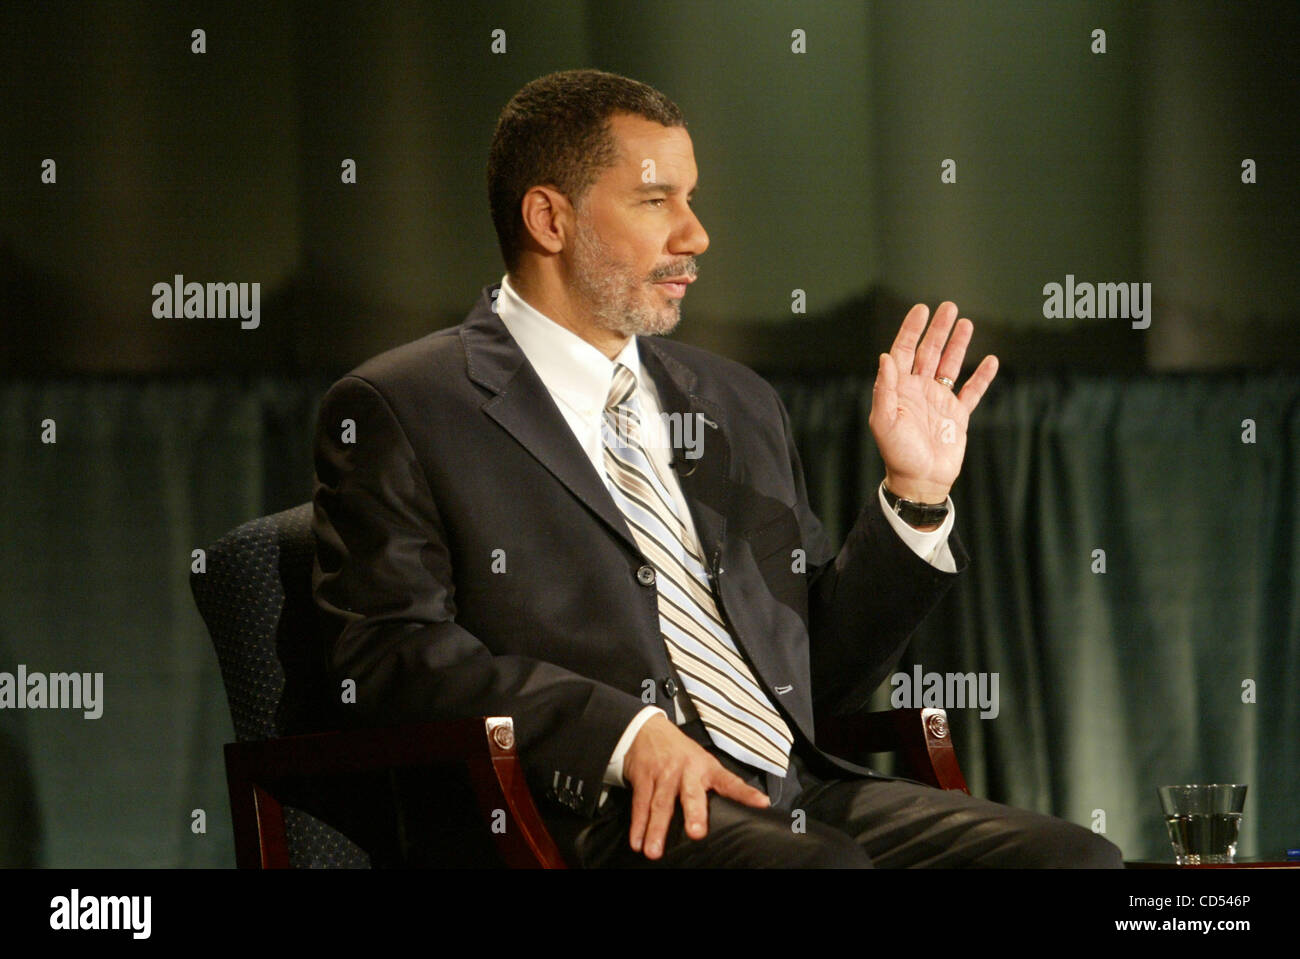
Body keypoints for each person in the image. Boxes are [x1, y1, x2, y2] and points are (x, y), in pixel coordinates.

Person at [311, 68, 1123, 868]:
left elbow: (814, 670)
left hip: (796, 795)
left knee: (1071, 857)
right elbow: (387, 657)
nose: (694, 234)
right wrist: (623, 735)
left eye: (691, 200)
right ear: (549, 218)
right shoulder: (407, 406)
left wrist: (915, 497)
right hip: (592, 815)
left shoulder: (733, 402)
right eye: (657, 201)